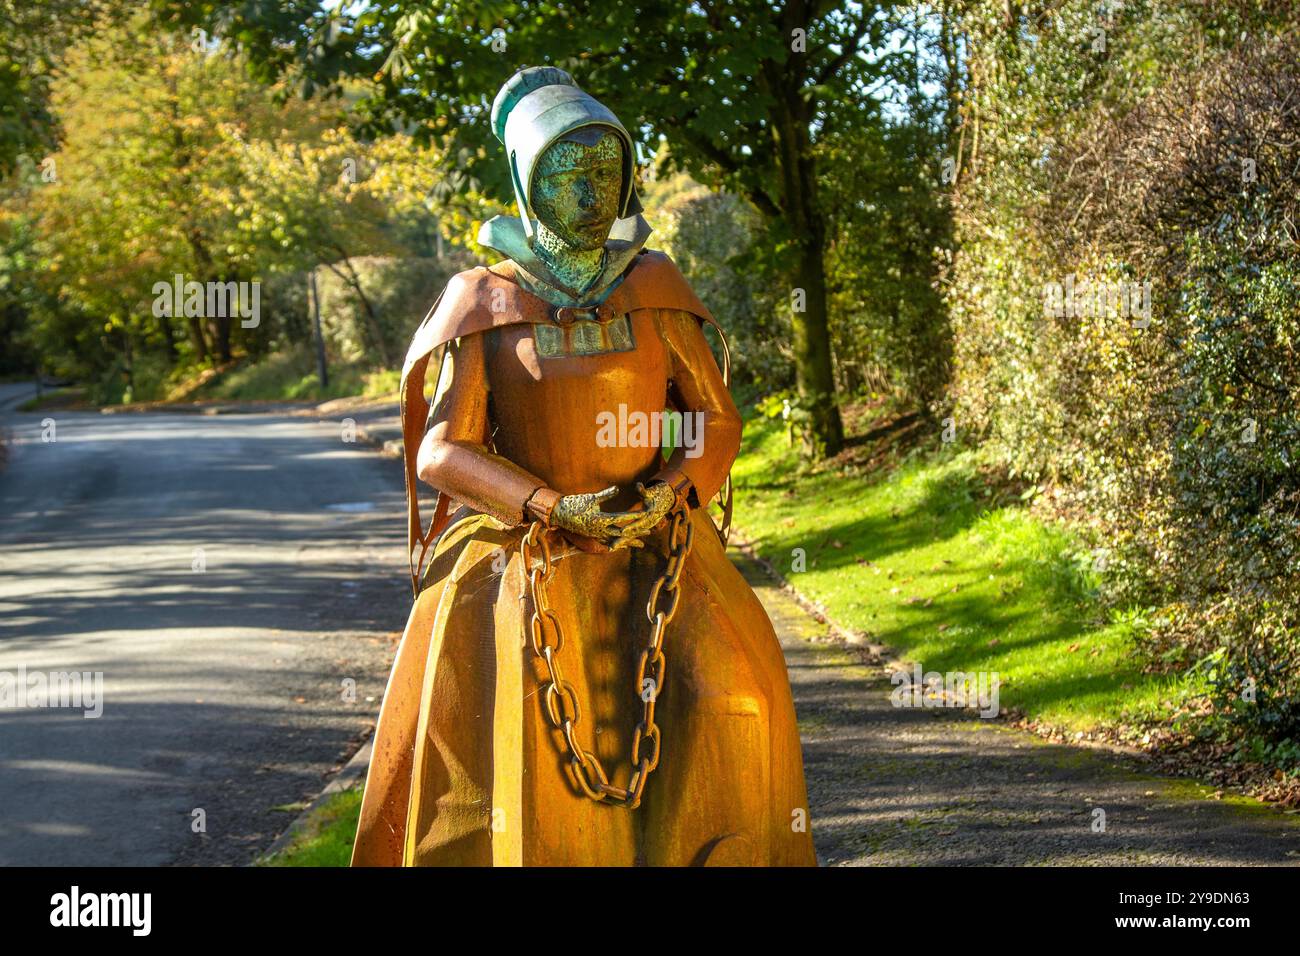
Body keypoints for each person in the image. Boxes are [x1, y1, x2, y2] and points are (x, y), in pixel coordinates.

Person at [351, 66, 816, 866]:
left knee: (731, 686)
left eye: (609, 172)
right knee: (523, 748)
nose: (594, 192)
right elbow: (440, 449)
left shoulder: (655, 290)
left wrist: (672, 491)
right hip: (524, 548)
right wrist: (549, 506)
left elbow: (715, 417)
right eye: (571, 174)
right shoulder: (484, 303)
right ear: (530, 183)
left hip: (657, 538)